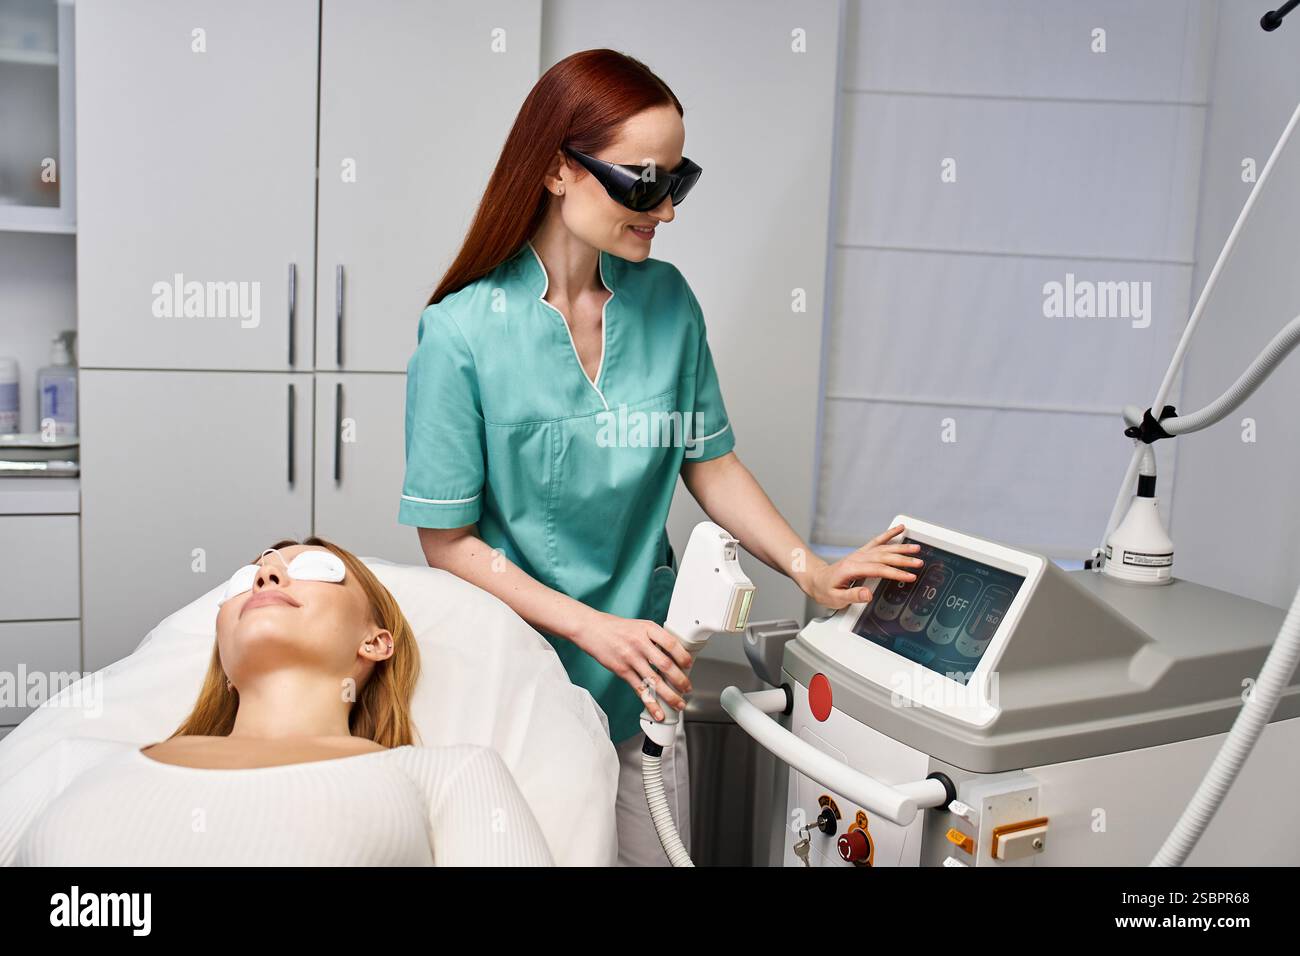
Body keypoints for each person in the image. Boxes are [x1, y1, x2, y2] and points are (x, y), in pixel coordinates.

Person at [399, 49, 922, 865]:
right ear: (556, 171)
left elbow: (708, 463)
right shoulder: (461, 333)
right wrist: (595, 628)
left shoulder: (668, 302)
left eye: (677, 182)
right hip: (515, 686)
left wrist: (807, 568)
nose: (665, 210)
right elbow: (448, 542)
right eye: (642, 183)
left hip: (646, 684)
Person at [0, 539, 552, 866]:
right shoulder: (72, 762)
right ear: (221, 649)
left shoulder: (447, 776)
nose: (266, 573)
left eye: (314, 569)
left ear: (375, 641)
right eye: (249, 576)